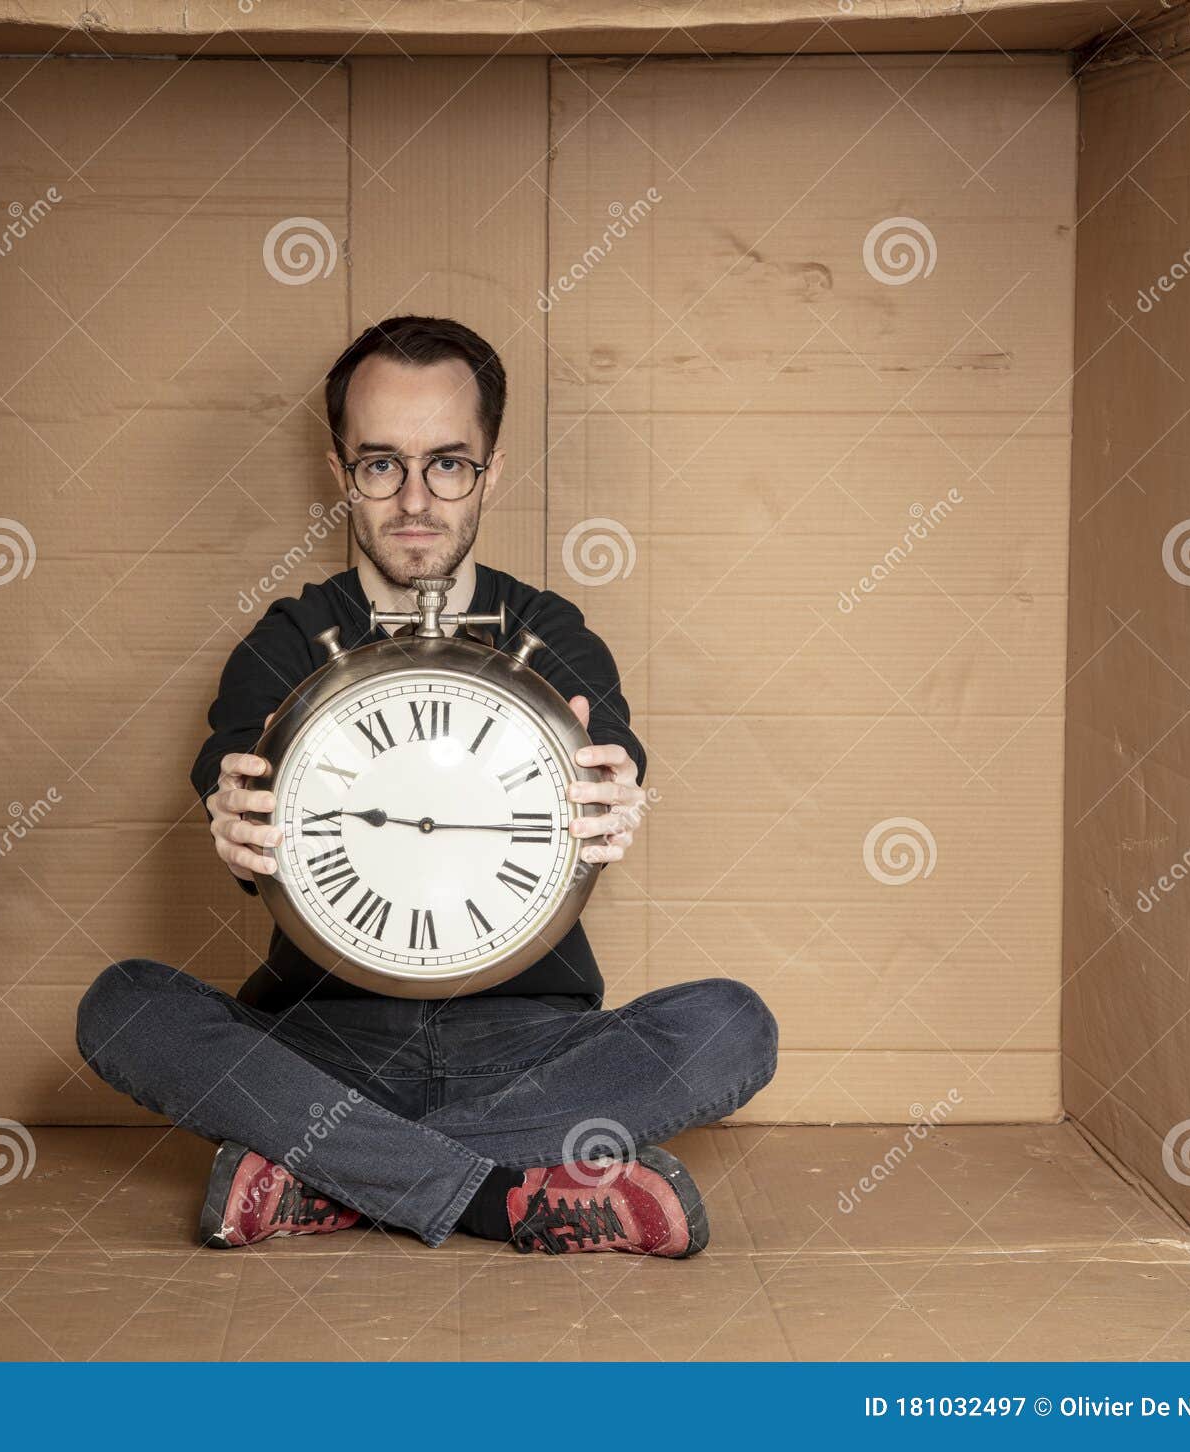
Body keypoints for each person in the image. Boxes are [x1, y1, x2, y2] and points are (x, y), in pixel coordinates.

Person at [76, 315, 778, 1257]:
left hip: (533, 1047)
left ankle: (329, 1173)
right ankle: (503, 1196)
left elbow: (612, 754)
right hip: (322, 1043)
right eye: (381, 465)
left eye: (448, 464)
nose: (415, 499)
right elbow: (230, 769)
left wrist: (618, 789)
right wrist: (232, 816)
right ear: (340, 473)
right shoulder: (286, 642)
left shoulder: (553, 633)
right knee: (126, 1007)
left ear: (490, 465)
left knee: (731, 1025)